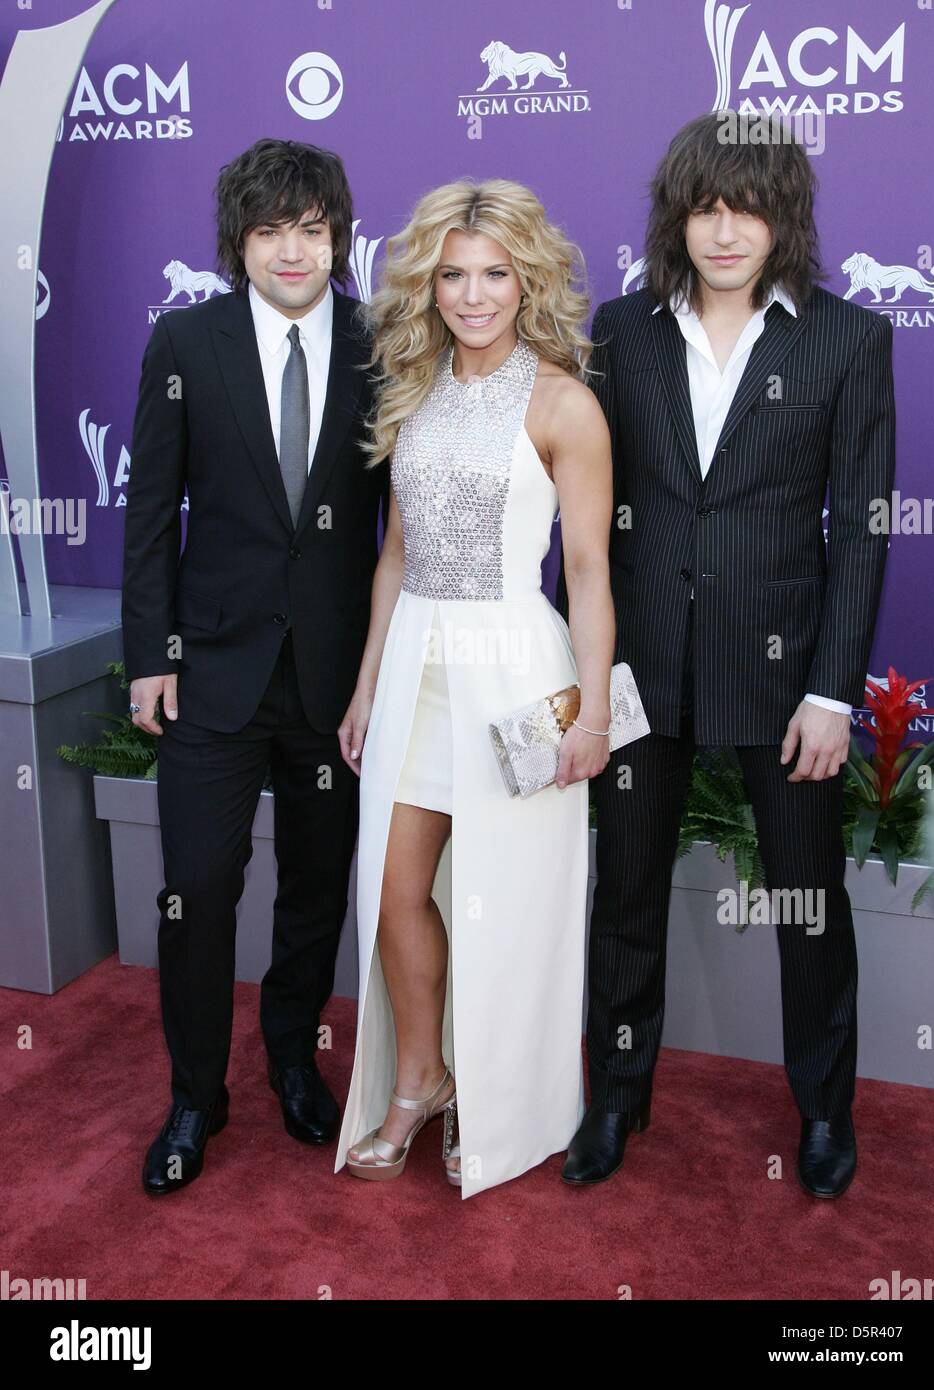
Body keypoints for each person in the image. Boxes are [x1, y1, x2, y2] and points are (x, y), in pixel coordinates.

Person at [557, 113, 896, 1199]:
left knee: (807, 902)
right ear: (676, 217)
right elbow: (586, 513)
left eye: (746, 208)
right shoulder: (622, 329)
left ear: (782, 217)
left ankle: (824, 1112)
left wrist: (831, 691)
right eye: (704, 208)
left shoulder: (846, 339)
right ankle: (616, 1099)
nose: (724, 230)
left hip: (783, 672)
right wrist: (577, 672)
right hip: (639, 666)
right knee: (624, 897)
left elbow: (862, 530)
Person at [332, 178, 615, 1198]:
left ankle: (503, 1104)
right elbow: (394, 558)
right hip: (418, 664)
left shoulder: (563, 403)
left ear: (526, 280)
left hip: (517, 673)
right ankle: (423, 1078)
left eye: (494, 274)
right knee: (393, 890)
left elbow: (587, 570)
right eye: (452, 276)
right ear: (429, 284)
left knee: (506, 902)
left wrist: (591, 711)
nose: (473, 295)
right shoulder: (413, 390)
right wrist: (367, 684)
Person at [122, 138, 387, 1195]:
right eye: (270, 230)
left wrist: (378, 671)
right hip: (210, 671)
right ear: (237, 241)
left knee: (316, 890)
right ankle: (195, 1095)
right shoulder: (187, 341)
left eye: (312, 230)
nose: (292, 251)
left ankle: (291, 1057)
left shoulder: (382, 343)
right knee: (195, 888)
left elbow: (404, 520)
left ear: (338, 239)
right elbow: (151, 513)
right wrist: (150, 656)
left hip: (333, 681)